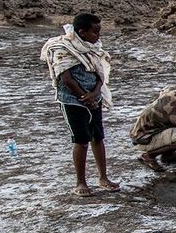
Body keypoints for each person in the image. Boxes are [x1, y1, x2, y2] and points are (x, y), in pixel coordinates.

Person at [40, 12, 119, 197]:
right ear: (82, 32)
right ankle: (80, 182)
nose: (98, 36)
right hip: (73, 100)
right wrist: (85, 97)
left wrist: (95, 92)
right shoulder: (62, 48)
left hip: (94, 97)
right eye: (94, 32)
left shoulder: (93, 47)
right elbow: (65, 78)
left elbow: (100, 73)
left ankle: (103, 177)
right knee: (81, 140)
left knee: (98, 137)